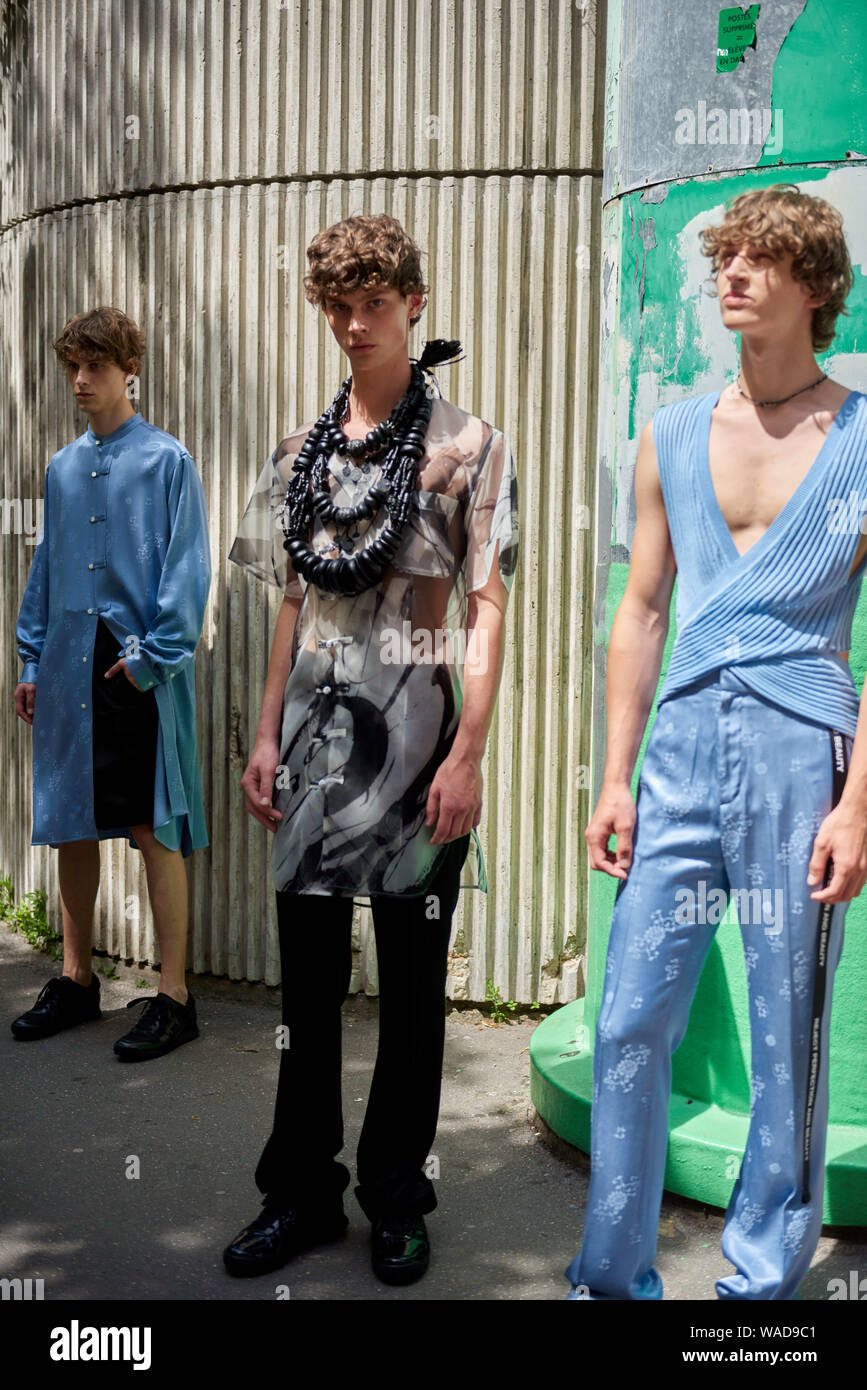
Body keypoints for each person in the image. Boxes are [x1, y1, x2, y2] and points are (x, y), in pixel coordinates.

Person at [566, 184, 867, 1300]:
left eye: (760, 258)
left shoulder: (864, 436)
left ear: (817, 287)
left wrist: (859, 803)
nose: (730, 274)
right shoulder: (675, 432)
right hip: (682, 747)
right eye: (723, 257)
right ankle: (610, 1276)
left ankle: (757, 1289)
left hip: (803, 747)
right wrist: (614, 777)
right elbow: (641, 611)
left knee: (787, 1036)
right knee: (630, 1016)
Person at [223, 213, 518, 1286]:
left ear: (414, 306)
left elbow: (485, 609)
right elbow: (290, 608)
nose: (355, 324)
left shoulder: (470, 448)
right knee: (304, 992)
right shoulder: (299, 458)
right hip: (308, 748)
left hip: (417, 751)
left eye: (375, 304)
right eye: (338, 306)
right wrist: (263, 732)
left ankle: (395, 1195)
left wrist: (471, 751)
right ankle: (298, 1191)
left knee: (412, 986)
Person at [12, 307, 211, 1061]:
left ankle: (173, 995)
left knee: (150, 824)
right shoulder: (62, 468)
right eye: (73, 367)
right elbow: (46, 567)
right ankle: (76, 978)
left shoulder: (166, 460)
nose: (80, 381)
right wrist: (31, 661)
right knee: (69, 820)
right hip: (66, 661)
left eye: (94, 367)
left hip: (134, 667)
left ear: (130, 370)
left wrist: (154, 658)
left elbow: (188, 570)